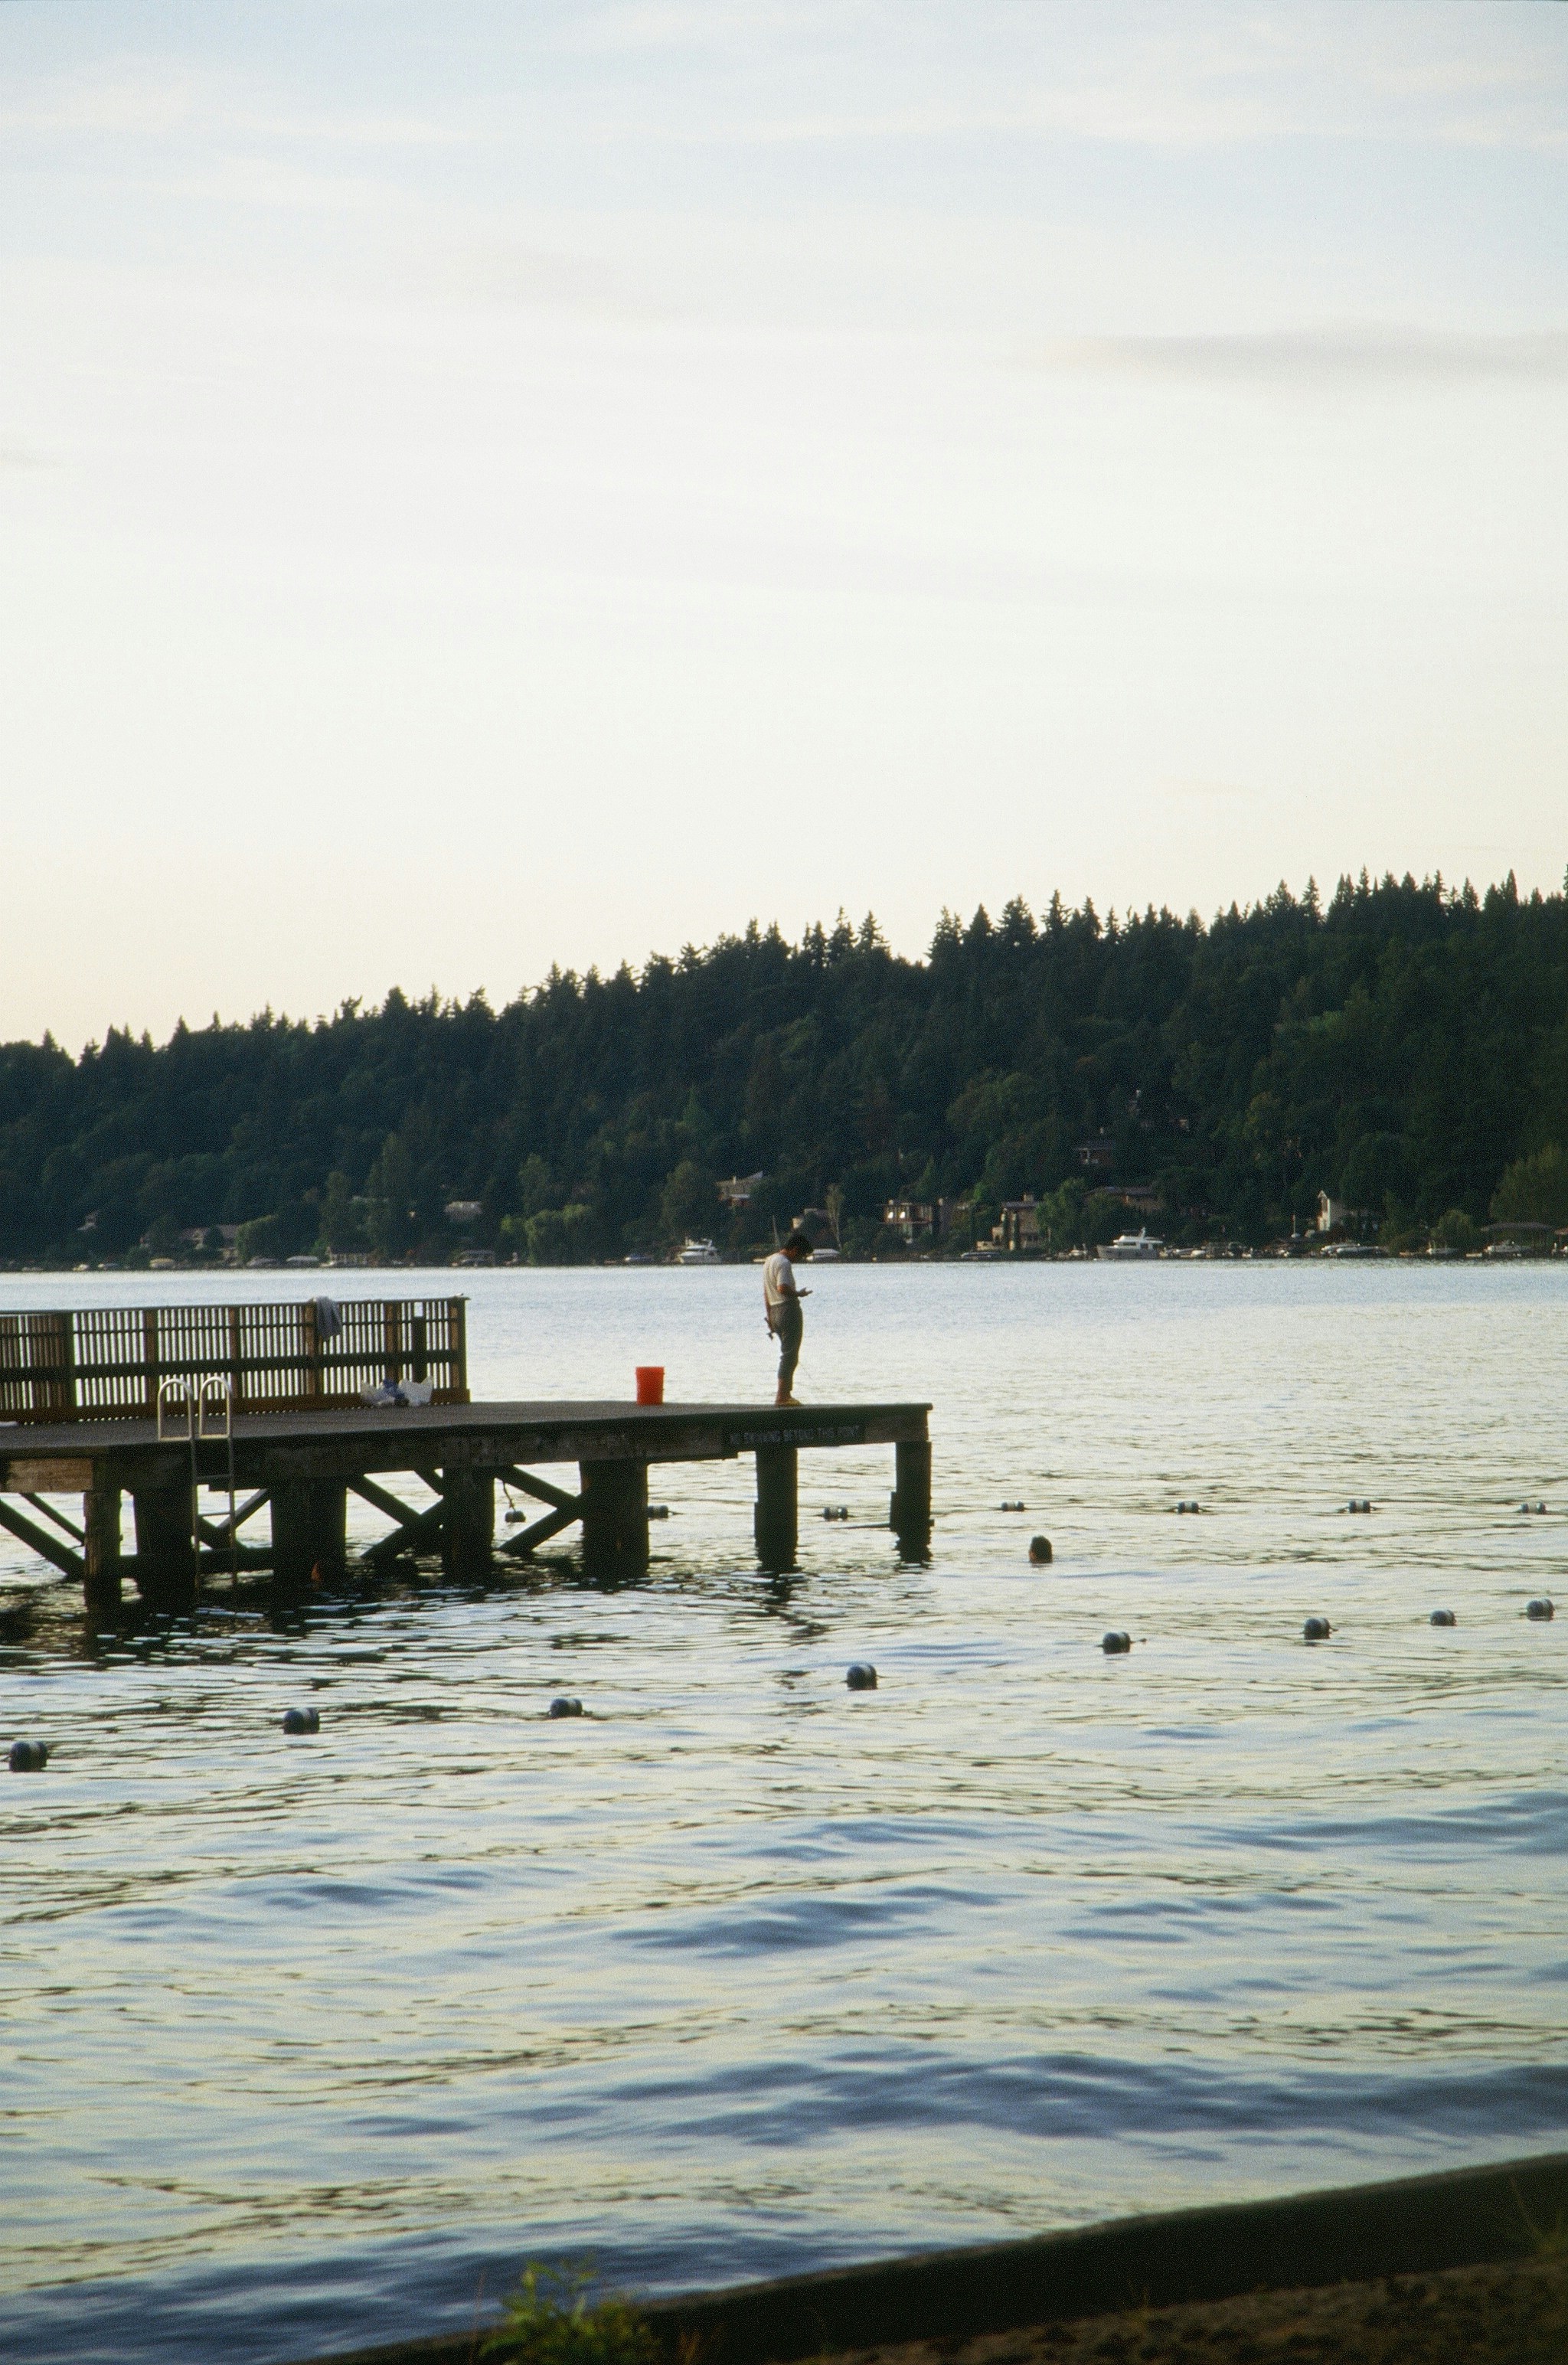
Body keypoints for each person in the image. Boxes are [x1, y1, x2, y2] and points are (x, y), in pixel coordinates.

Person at [762, 1228, 814, 1407]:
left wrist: (770, 1318)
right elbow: (782, 1287)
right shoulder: (784, 1263)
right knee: (790, 1355)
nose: (799, 1259)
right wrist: (799, 1293)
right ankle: (782, 1396)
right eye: (801, 1255)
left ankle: (785, 1395)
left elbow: (766, 1293)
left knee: (787, 1354)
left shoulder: (769, 1261)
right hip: (787, 1310)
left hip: (774, 1311)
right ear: (794, 1249)